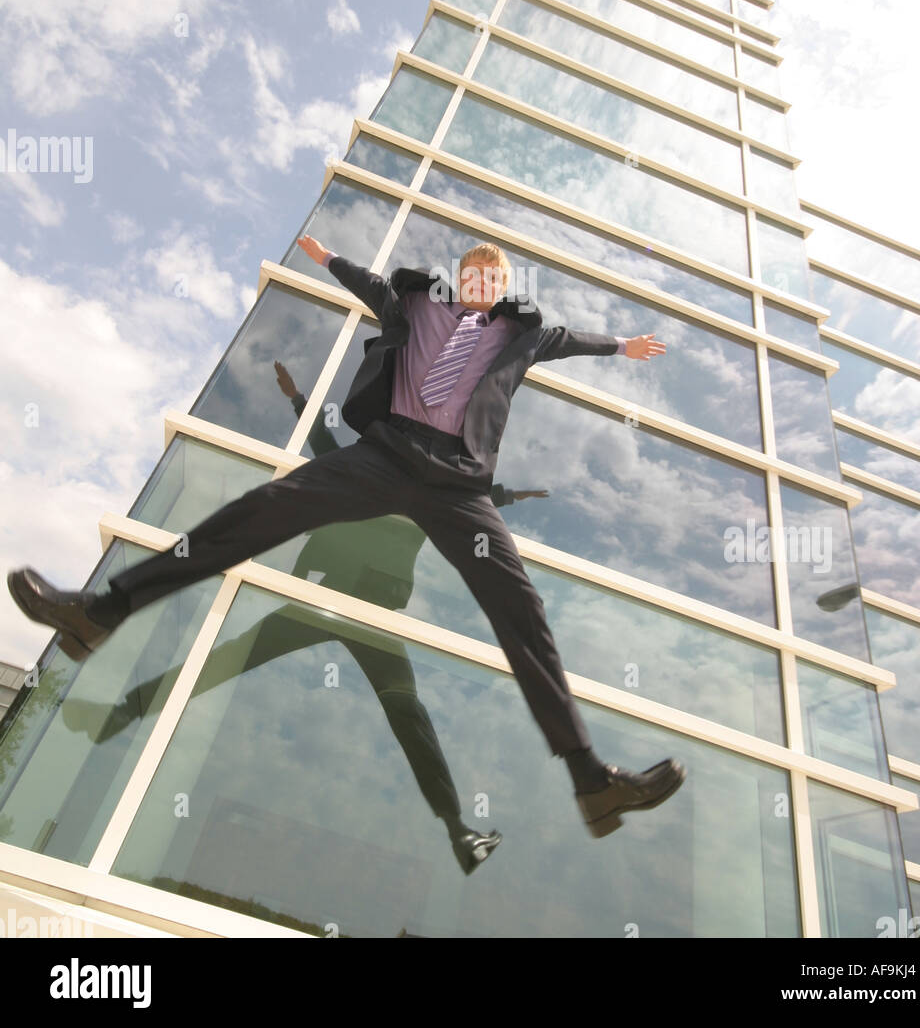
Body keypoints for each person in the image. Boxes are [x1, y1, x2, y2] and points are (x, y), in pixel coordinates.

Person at [8, 238, 685, 839]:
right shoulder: (417, 303)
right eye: (473, 275)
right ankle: (96, 613)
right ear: (461, 278)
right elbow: (367, 285)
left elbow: (574, 342)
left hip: (458, 483)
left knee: (521, 608)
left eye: (493, 278)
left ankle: (592, 780)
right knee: (256, 513)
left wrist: (623, 347)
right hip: (385, 455)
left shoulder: (522, 334)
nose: (481, 285)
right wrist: (328, 258)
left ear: (503, 287)